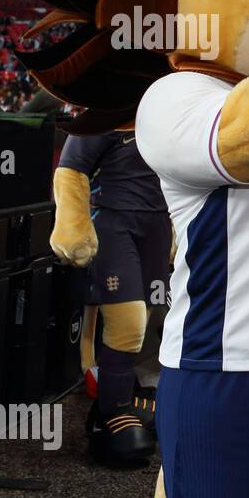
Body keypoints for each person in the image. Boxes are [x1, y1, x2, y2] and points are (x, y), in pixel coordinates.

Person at [51, 131, 170, 466]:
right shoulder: (103, 112)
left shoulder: (165, 107)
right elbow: (72, 169)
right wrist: (71, 225)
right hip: (114, 222)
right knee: (127, 321)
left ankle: (120, 394)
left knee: (148, 316)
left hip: (157, 223)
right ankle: (111, 411)